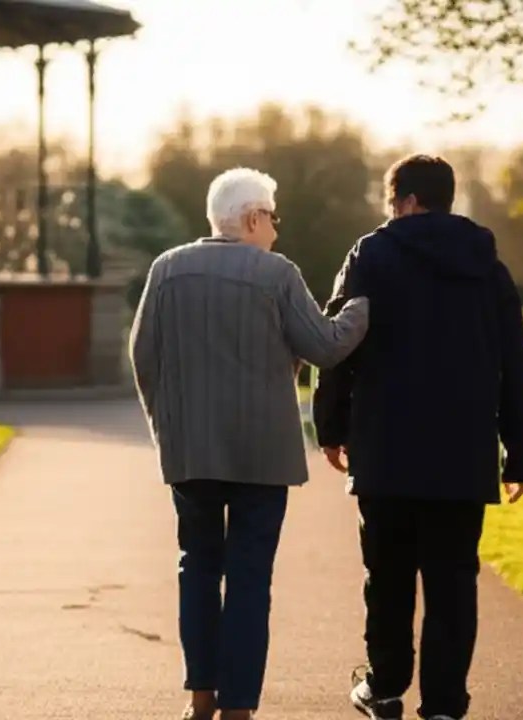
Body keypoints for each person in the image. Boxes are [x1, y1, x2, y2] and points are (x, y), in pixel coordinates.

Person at [129, 167, 370, 720]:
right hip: (261, 454)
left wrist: (166, 429)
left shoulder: (167, 270)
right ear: (254, 218)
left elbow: (143, 357)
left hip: (191, 453)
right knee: (248, 577)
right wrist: (362, 305)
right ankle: (240, 705)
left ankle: (201, 698)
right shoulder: (276, 273)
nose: (277, 232)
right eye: (273, 219)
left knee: (197, 566)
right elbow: (326, 346)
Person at [313, 154, 523, 720]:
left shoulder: (370, 254)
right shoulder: (488, 267)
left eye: (393, 203)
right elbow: (515, 362)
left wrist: (331, 427)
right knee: (454, 584)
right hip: (462, 451)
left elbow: (337, 345)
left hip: (385, 445)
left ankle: (385, 686)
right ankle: (443, 704)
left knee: (386, 578)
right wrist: (522, 453)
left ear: (407, 200)